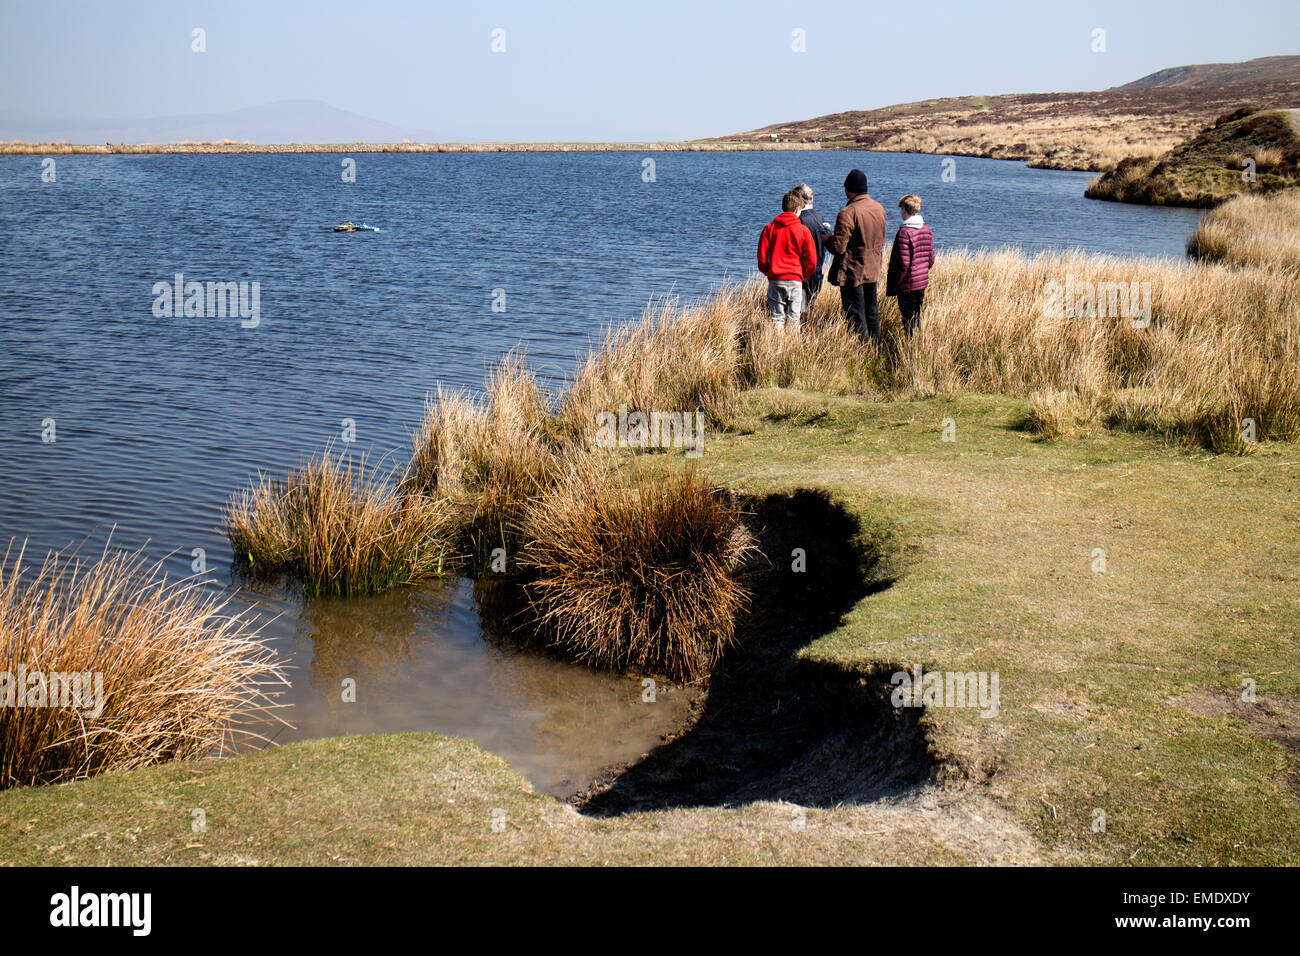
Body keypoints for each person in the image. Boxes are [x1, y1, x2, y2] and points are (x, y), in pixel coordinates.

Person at [824, 168, 887, 346]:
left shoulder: (848, 212)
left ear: (848, 189)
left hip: (853, 272)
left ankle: (861, 355)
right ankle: (875, 351)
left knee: (855, 316)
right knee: (872, 313)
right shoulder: (879, 208)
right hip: (873, 269)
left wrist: (826, 239)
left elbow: (838, 247)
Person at [757, 188, 818, 333]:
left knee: (777, 318)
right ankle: (791, 350)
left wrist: (769, 272)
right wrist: (803, 274)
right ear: (798, 210)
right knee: (794, 319)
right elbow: (812, 260)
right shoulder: (803, 231)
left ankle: (777, 350)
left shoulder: (769, 229)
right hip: (795, 280)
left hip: (776, 279)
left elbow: (762, 257)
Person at [885, 194, 935, 335]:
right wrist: (922, 272)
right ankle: (917, 348)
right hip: (921, 282)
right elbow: (931, 258)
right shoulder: (926, 229)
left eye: (901, 209)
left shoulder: (904, 232)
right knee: (916, 317)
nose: (900, 212)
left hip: (907, 284)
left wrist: (896, 284)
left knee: (908, 321)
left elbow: (903, 263)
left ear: (905, 209)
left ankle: (910, 350)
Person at [794, 183, 832, 310]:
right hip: (817, 271)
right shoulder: (820, 219)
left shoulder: (799, 220)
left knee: (799, 311)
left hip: (803, 274)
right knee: (809, 308)